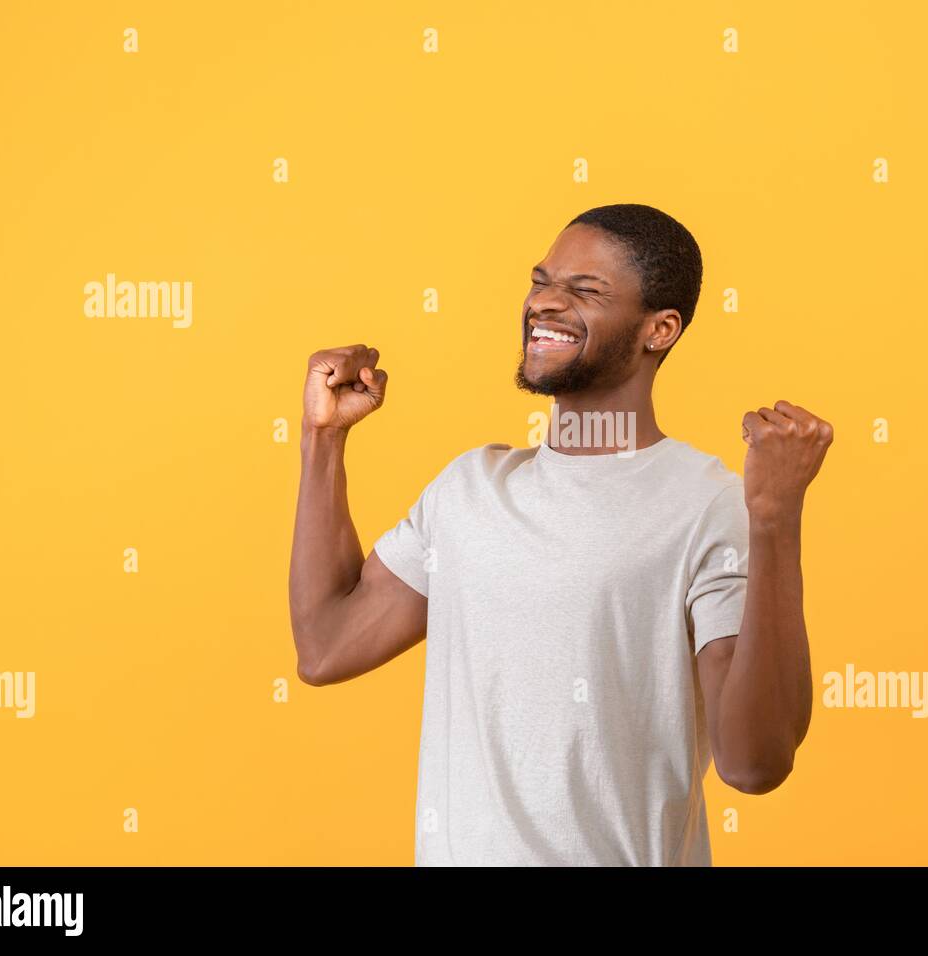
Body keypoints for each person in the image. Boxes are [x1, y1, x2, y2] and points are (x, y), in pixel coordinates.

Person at [288, 203, 833, 865]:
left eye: (584, 290)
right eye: (541, 280)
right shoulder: (470, 490)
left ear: (659, 329)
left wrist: (776, 522)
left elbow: (755, 762)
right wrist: (323, 438)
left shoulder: (706, 503)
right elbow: (325, 646)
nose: (544, 303)